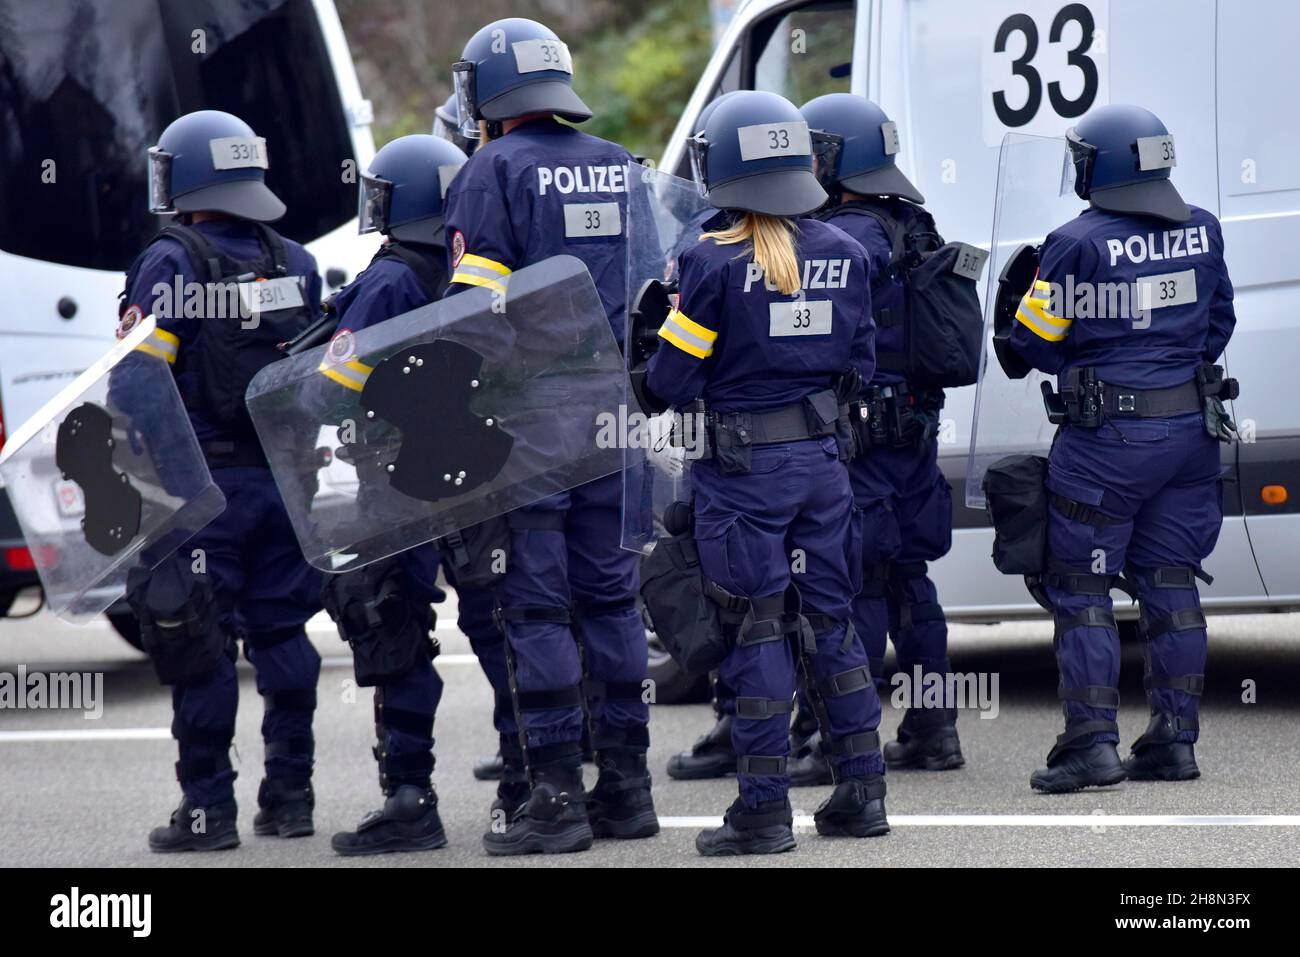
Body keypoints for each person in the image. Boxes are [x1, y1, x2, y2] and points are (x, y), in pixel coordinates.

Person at [645, 89, 888, 855]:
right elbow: (863, 363)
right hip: (822, 465)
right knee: (830, 622)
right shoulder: (848, 252)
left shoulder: (707, 261)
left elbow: (672, 383)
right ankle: (862, 791)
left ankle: (763, 810)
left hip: (745, 474)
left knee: (756, 630)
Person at [443, 16, 657, 855]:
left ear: (491, 92)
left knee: (536, 605)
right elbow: (649, 291)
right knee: (612, 600)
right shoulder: (616, 165)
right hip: (614, 413)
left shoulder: (489, 170)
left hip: (531, 418)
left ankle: (558, 796)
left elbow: (473, 316)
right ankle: (629, 790)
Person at [1005, 104, 1236, 792]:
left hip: (1106, 446)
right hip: (1191, 434)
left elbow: (1033, 344)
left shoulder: (1077, 242)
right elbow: (1217, 323)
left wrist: (1025, 308)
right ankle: (1174, 740)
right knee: (1170, 580)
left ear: (1094, 167)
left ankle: (1092, 745)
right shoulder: (1202, 228)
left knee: (1082, 588)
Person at [123, 110, 323, 851]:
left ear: (191, 178)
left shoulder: (169, 262)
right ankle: (292, 796)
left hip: (202, 492)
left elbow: (140, 384)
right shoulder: (295, 261)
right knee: (283, 636)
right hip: (283, 485)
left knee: (197, 644)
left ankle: (208, 813)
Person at [789, 93, 964, 784]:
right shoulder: (913, 225)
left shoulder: (842, 239)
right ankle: (934, 729)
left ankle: (839, 742)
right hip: (914, 437)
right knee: (910, 582)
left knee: (854, 585)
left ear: (834, 158)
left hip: (858, 441)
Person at [319, 134, 477, 854]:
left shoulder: (388, 281)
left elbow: (332, 393)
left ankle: (410, 797)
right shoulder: (472, 263)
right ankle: (531, 782)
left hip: (396, 480)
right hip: (472, 470)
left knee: (392, 624)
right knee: (502, 622)